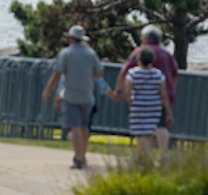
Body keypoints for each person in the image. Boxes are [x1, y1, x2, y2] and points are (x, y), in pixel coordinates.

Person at [41, 25, 103, 170]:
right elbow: (99, 73)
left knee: (75, 126)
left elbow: (57, 74)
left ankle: (78, 158)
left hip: (70, 95)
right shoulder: (91, 54)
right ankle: (83, 155)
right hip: (87, 95)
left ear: (70, 39)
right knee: (84, 127)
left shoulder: (65, 53)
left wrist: (48, 90)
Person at [115, 25, 179, 162]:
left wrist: (119, 91)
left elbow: (124, 72)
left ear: (147, 38)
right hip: (162, 97)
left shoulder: (139, 52)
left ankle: (145, 157)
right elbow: (175, 74)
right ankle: (164, 154)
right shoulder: (166, 53)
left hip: (141, 100)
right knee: (161, 125)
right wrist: (172, 89)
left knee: (142, 130)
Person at [122, 46, 174, 158]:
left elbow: (127, 91)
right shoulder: (158, 74)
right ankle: (150, 155)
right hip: (154, 106)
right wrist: (168, 112)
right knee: (150, 131)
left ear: (139, 59)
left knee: (140, 132)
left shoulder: (133, 73)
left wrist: (131, 102)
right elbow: (163, 94)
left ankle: (144, 156)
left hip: (138, 106)